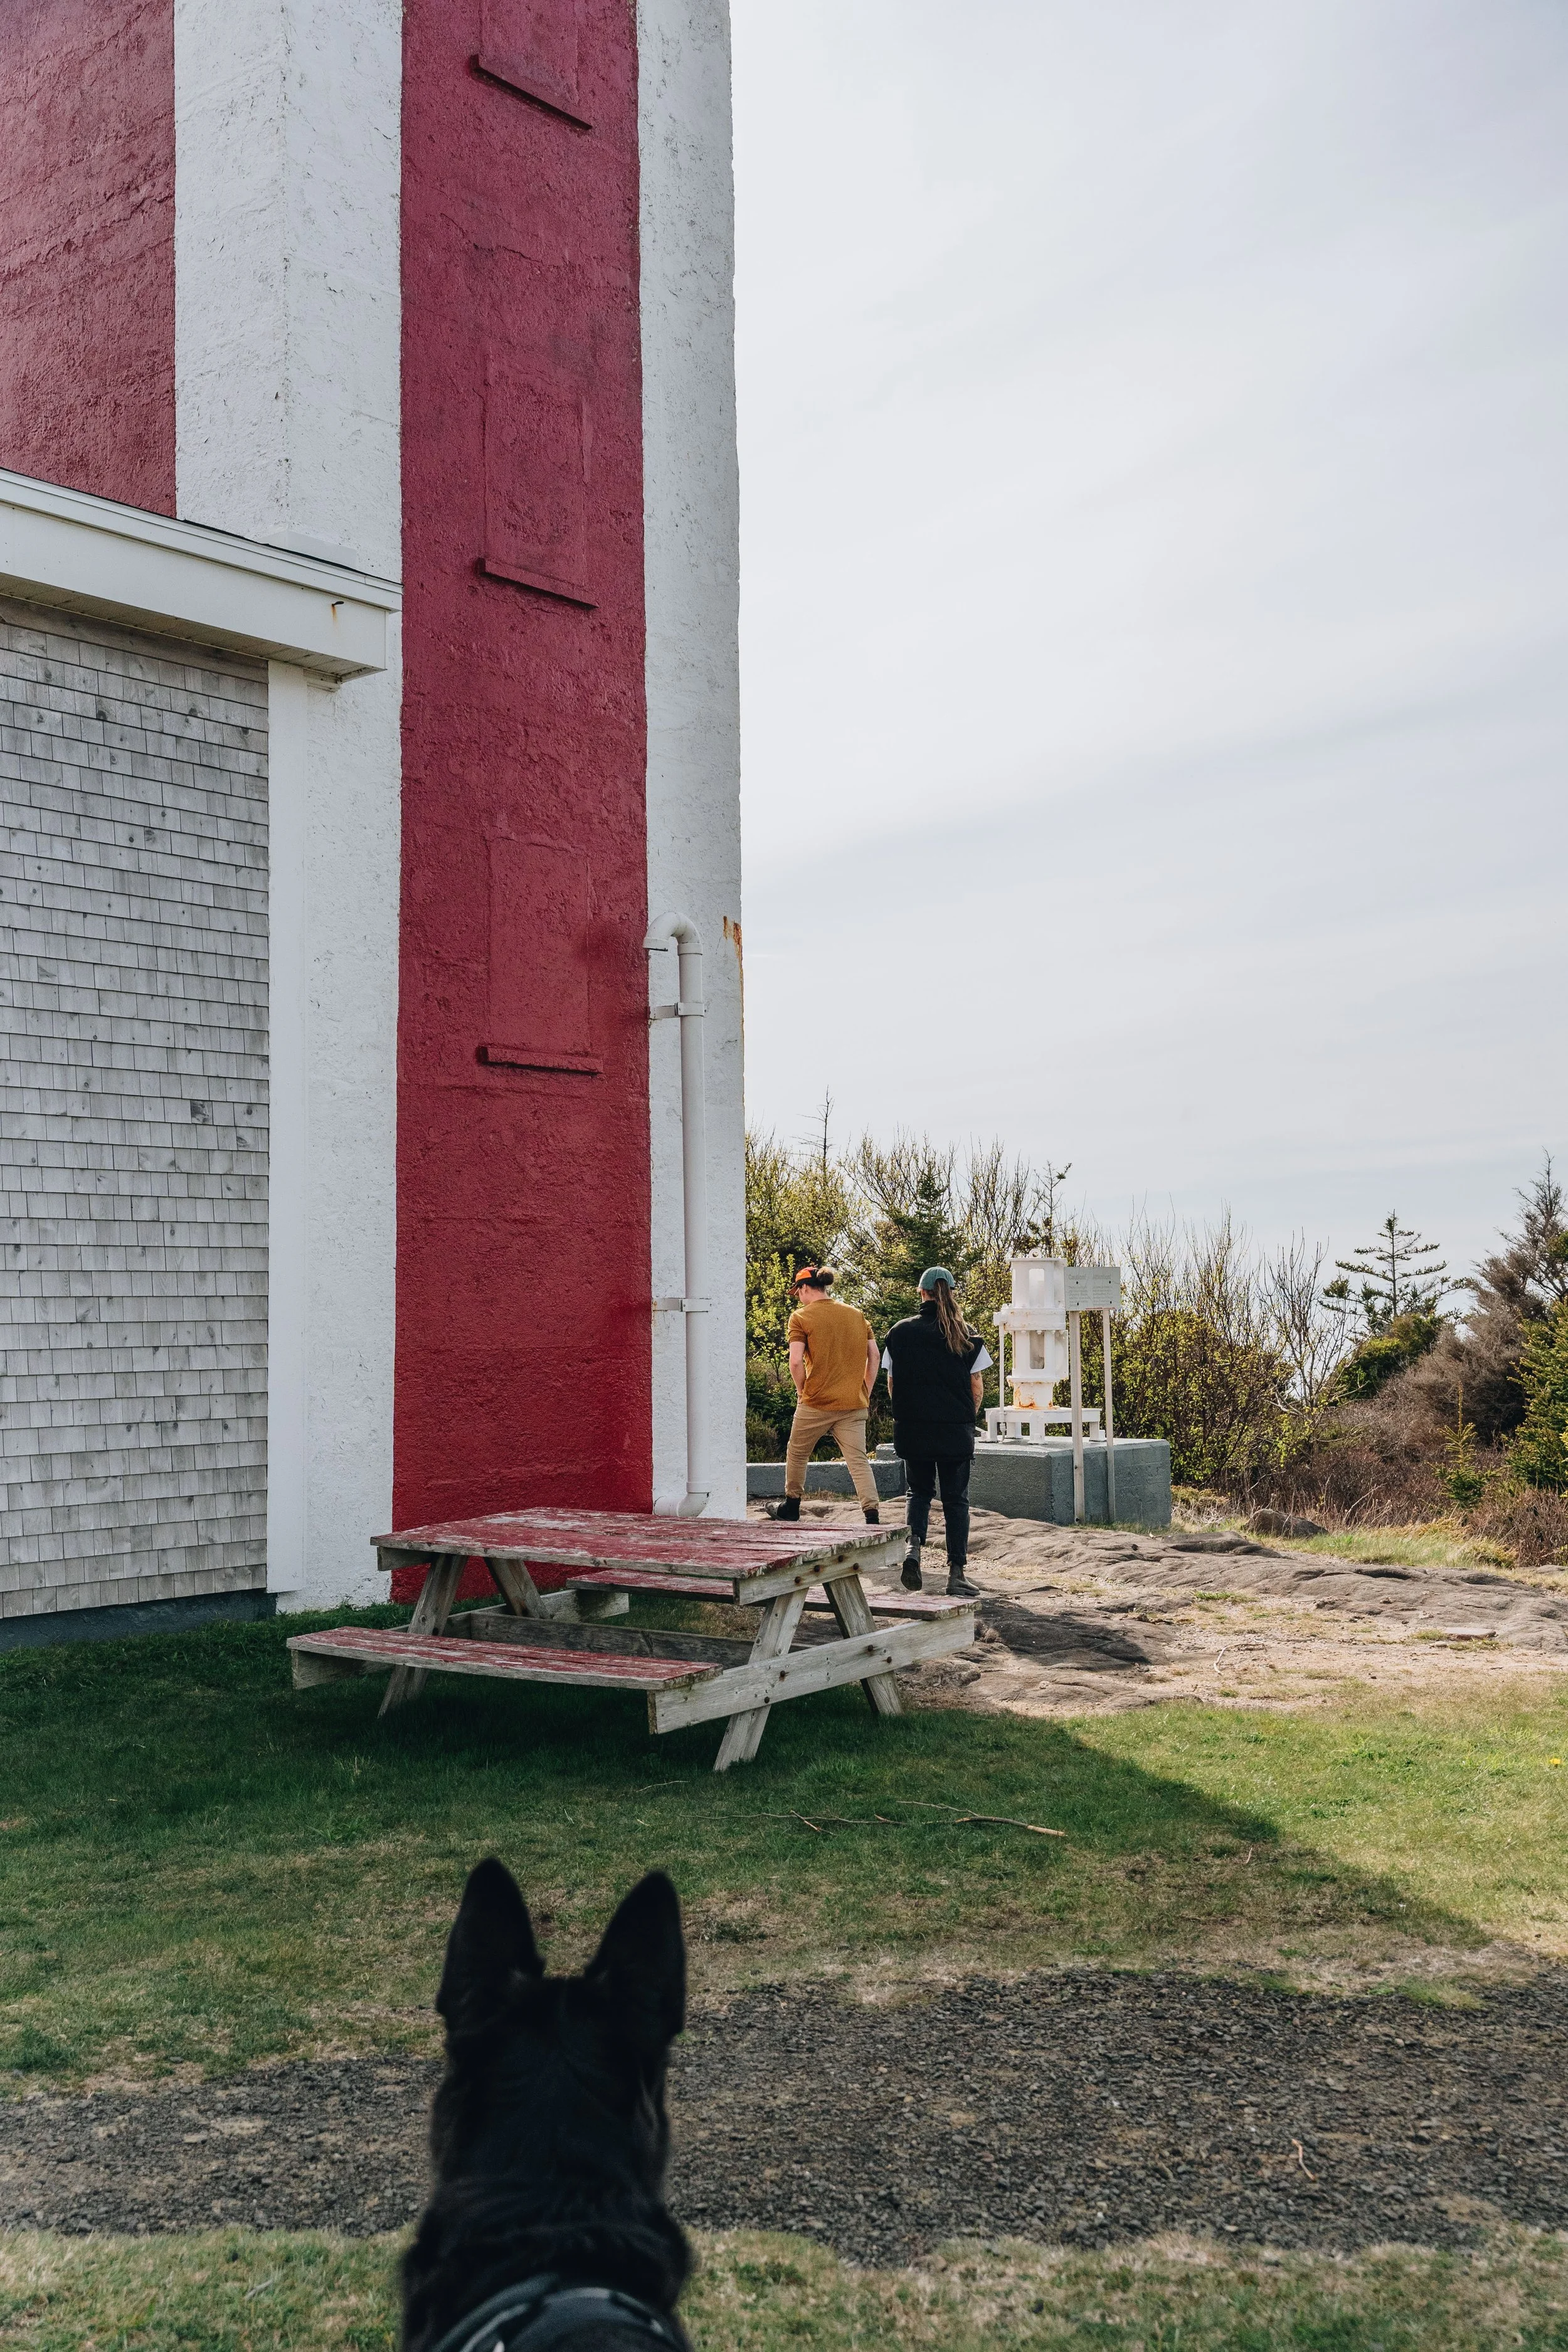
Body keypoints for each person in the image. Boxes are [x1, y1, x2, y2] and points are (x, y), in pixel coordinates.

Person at [880, 1268, 990, 1597]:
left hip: (914, 1430)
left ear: (921, 1292)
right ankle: (956, 1573)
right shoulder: (966, 1334)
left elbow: (892, 1383)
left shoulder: (899, 1333)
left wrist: (910, 1413)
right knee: (956, 1500)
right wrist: (965, 1418)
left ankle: (913, 1551)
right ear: (952, 1292)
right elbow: (976, 1387)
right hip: (954, 1431)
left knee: (919, 1492)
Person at [768, 1266, 883, 1524]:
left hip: (816, 1403)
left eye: (797, 1292)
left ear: (805, 1288)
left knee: (798, 1453)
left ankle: (792, 1507)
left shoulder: (800, 1317)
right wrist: (865, 1389)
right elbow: (874, 1356)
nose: (798, 1297)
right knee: (859, 1462)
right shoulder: (857, 1315)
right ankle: (872, 1516)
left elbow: (796, 1362)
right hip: (853, 1403)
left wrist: (802, 1392)